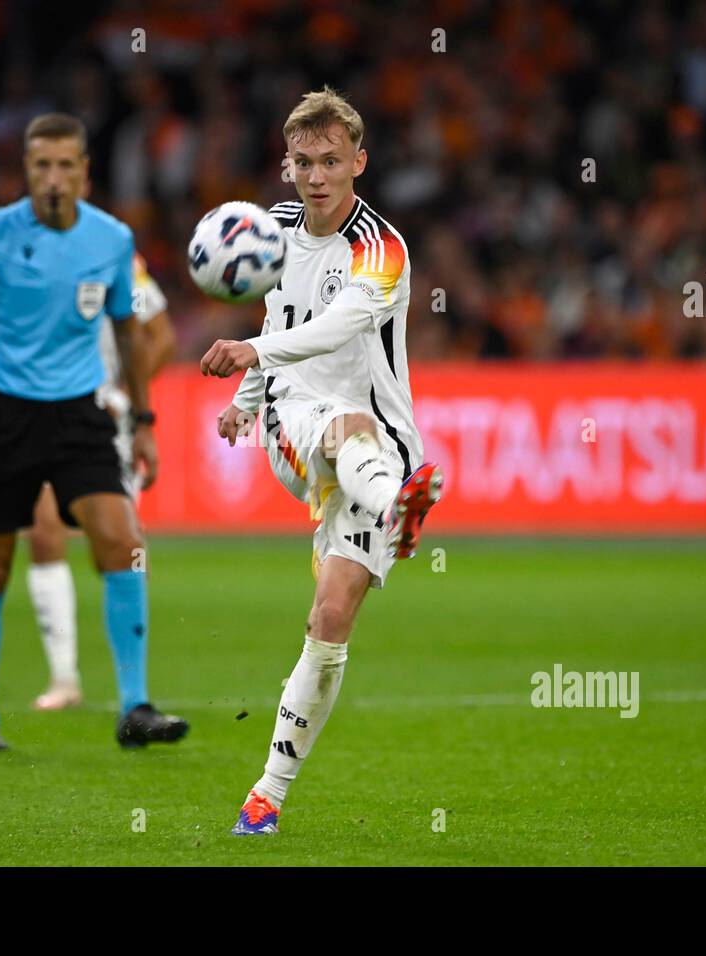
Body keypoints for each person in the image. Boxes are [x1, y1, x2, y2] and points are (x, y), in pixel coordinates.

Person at [200, 87, 442, 834]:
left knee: (330, 620)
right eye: (303, 161)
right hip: (294, 420)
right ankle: (395, 501)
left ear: (359, 162)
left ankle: (265, 796)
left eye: (331, 160)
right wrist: (249, 393)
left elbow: (337, 326)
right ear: (286, 166)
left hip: (382, 443)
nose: (316, 175)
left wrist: (251, 352)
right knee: (339, 424)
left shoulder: (383, 250)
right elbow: (275, 316)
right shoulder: (268, 233)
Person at [0, 112, 188, 751]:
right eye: (41, 165)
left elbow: (126, 330)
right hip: (2, 413)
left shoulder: (113, 240)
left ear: (86, 173)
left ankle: (135, 707)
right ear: (27, 171)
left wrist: (143, 421)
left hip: (80, 411)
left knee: (122, 542)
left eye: (66, 165)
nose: (54, 178)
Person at [0, 252, 175, 711]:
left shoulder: (116, 255)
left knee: (119, 549)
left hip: (103, 418)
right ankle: (65, 678)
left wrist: (127, 396)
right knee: (43, 530)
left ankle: (134, 693)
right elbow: (19, 336)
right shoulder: (23, 252)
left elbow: (162, 336)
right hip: (42, 410)